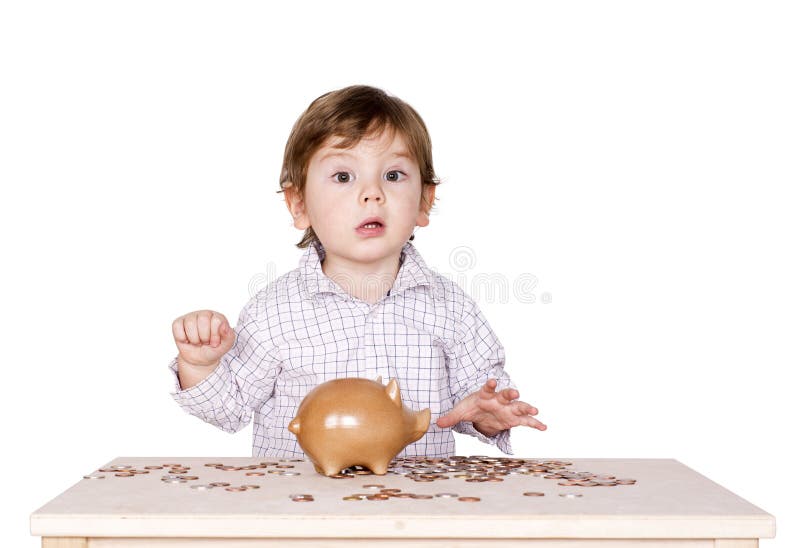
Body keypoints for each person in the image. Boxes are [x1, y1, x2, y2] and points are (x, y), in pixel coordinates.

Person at [168, 85, 547, 458]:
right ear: (299, 204)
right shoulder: (274, 312)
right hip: (300, 508)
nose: (372, 193)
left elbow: (480, 394)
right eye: (344, 177)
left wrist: (488, 414)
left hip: (413, 507)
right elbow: (227, 408)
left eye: (393, 175)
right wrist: (198, 364)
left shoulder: (450, 308)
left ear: (424, 202)